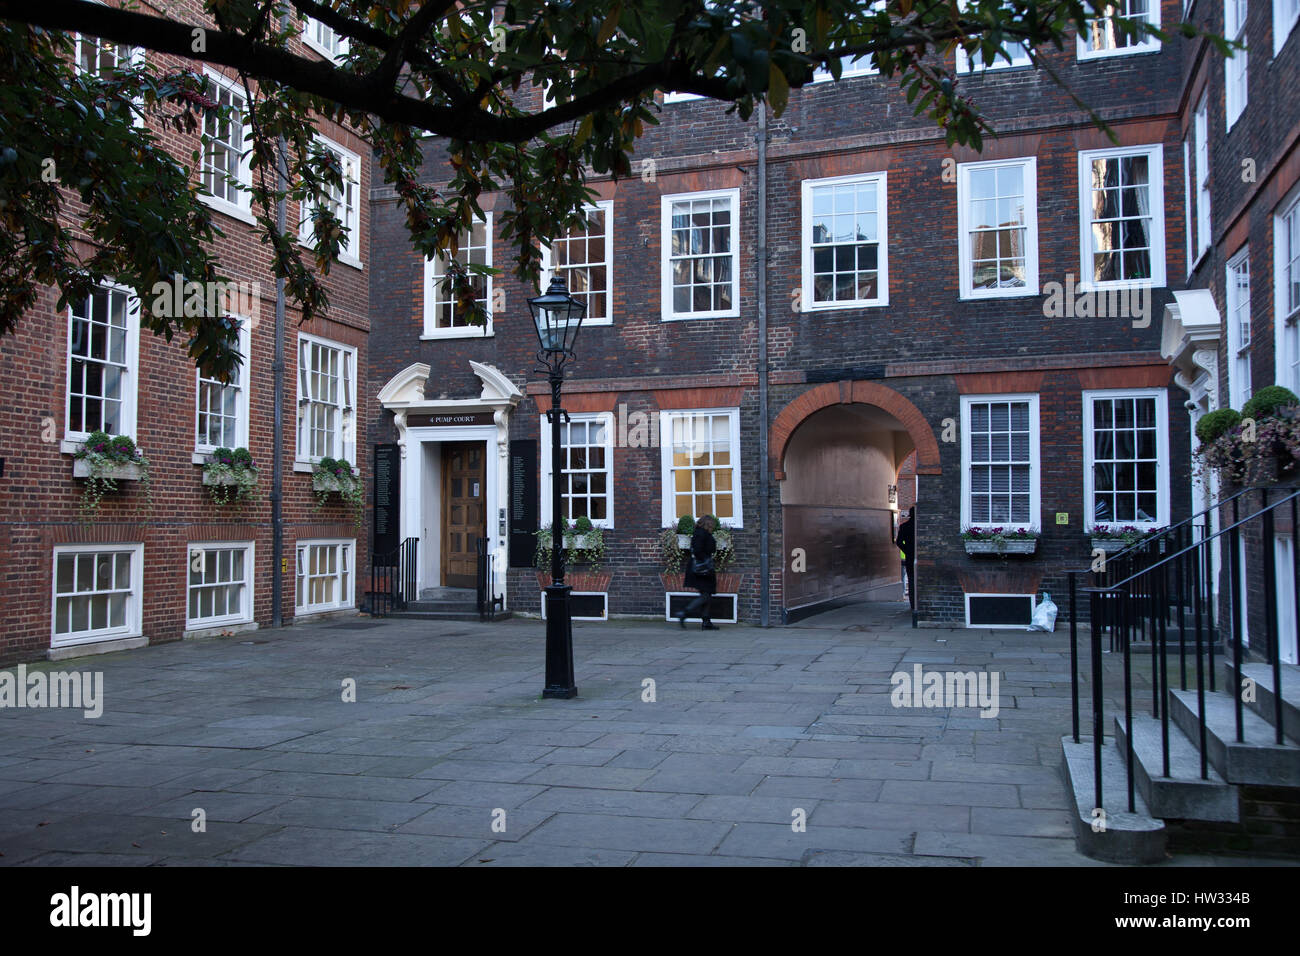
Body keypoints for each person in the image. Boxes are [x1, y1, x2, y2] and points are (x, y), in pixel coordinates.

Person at [677, 515, 719, 630]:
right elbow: (698, 550)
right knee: (706, 594)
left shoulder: (701, 533)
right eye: (712, 524)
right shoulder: (701, 534)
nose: (713, 526)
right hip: (702, 569)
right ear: (708, 524)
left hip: (701, 568)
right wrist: (706, 561)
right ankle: (684, 612)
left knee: (707, 594)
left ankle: (706, 622)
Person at [895, 507, 916, 610]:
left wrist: (907, 550)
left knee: (911, 581)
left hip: (910, 558)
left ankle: (913, 605)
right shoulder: (922, 526)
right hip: (921, 556)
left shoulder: (904, 526)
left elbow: (899, 542)